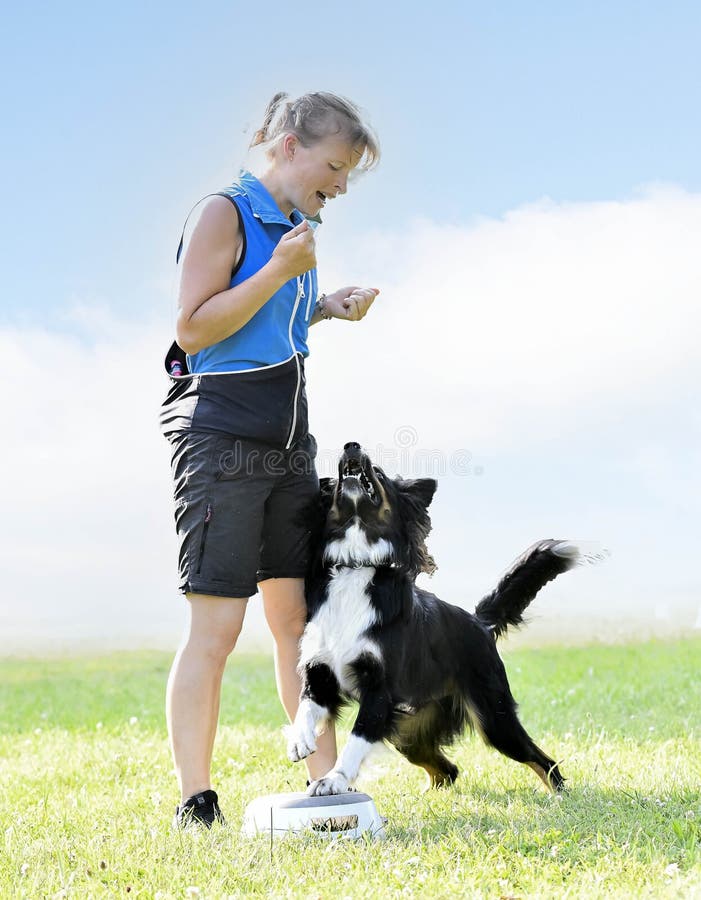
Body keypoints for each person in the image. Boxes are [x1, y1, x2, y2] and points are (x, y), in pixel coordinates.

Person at [159, 91, 380, 828]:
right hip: (220, 437)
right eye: (335, 167)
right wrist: (284, 275)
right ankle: (197, 800)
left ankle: (326, 788)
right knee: (217, 629)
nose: (341, 185)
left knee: (296, 623)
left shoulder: (296, 228)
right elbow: (193, 331)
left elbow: (256, 321)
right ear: (289, 146)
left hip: (288, 444)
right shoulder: (223, 212)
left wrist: (321, 306)